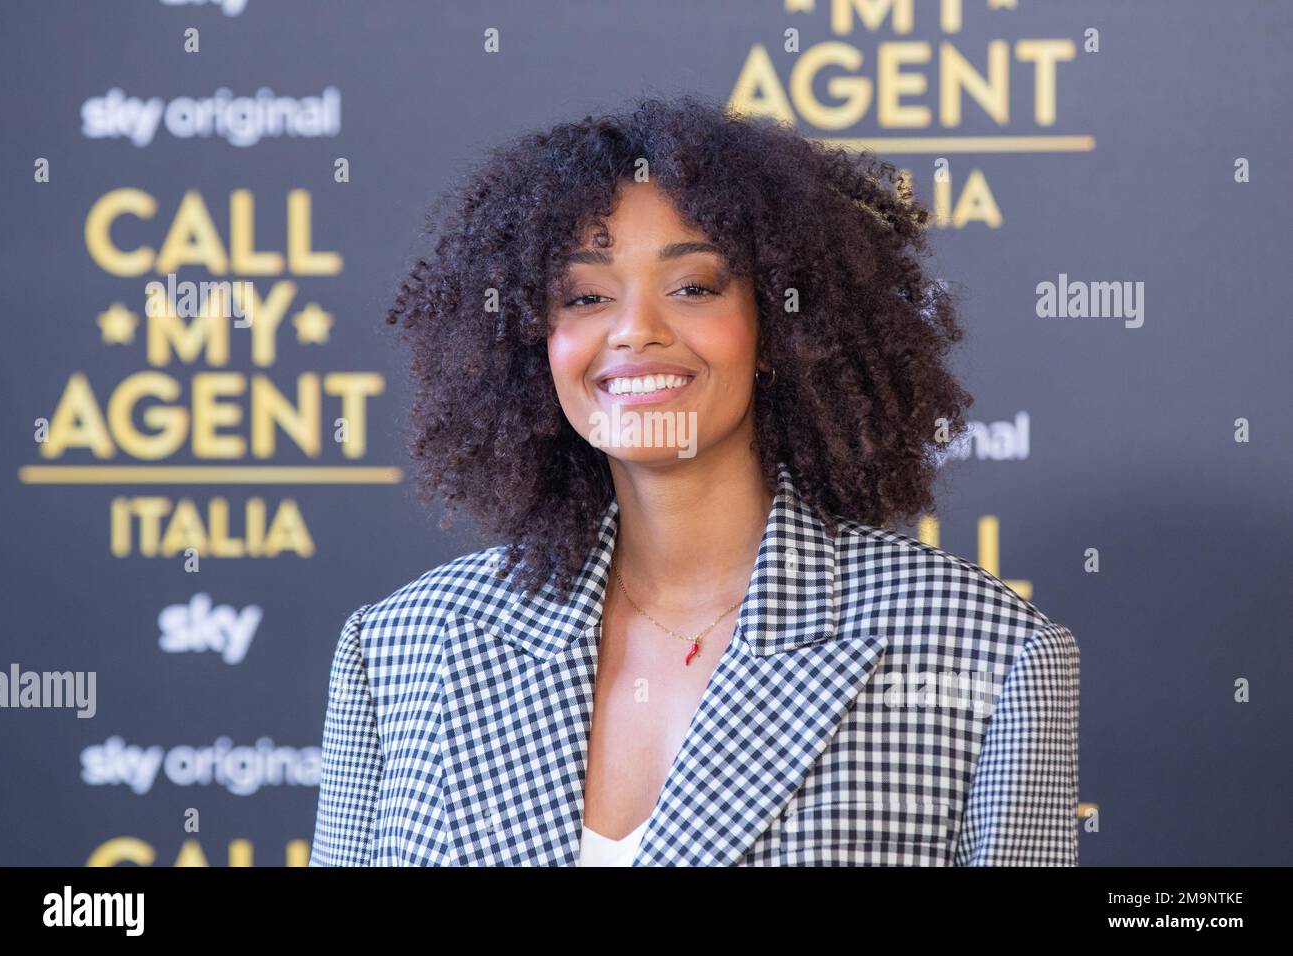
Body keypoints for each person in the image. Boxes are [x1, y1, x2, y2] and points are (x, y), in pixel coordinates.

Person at [309, 93, 1080, 867]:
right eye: (585, 296)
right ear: (534, 345)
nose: (636, 328)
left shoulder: (986, 656)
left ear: (779, 329)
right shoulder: (398, 649)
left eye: (693, 287)